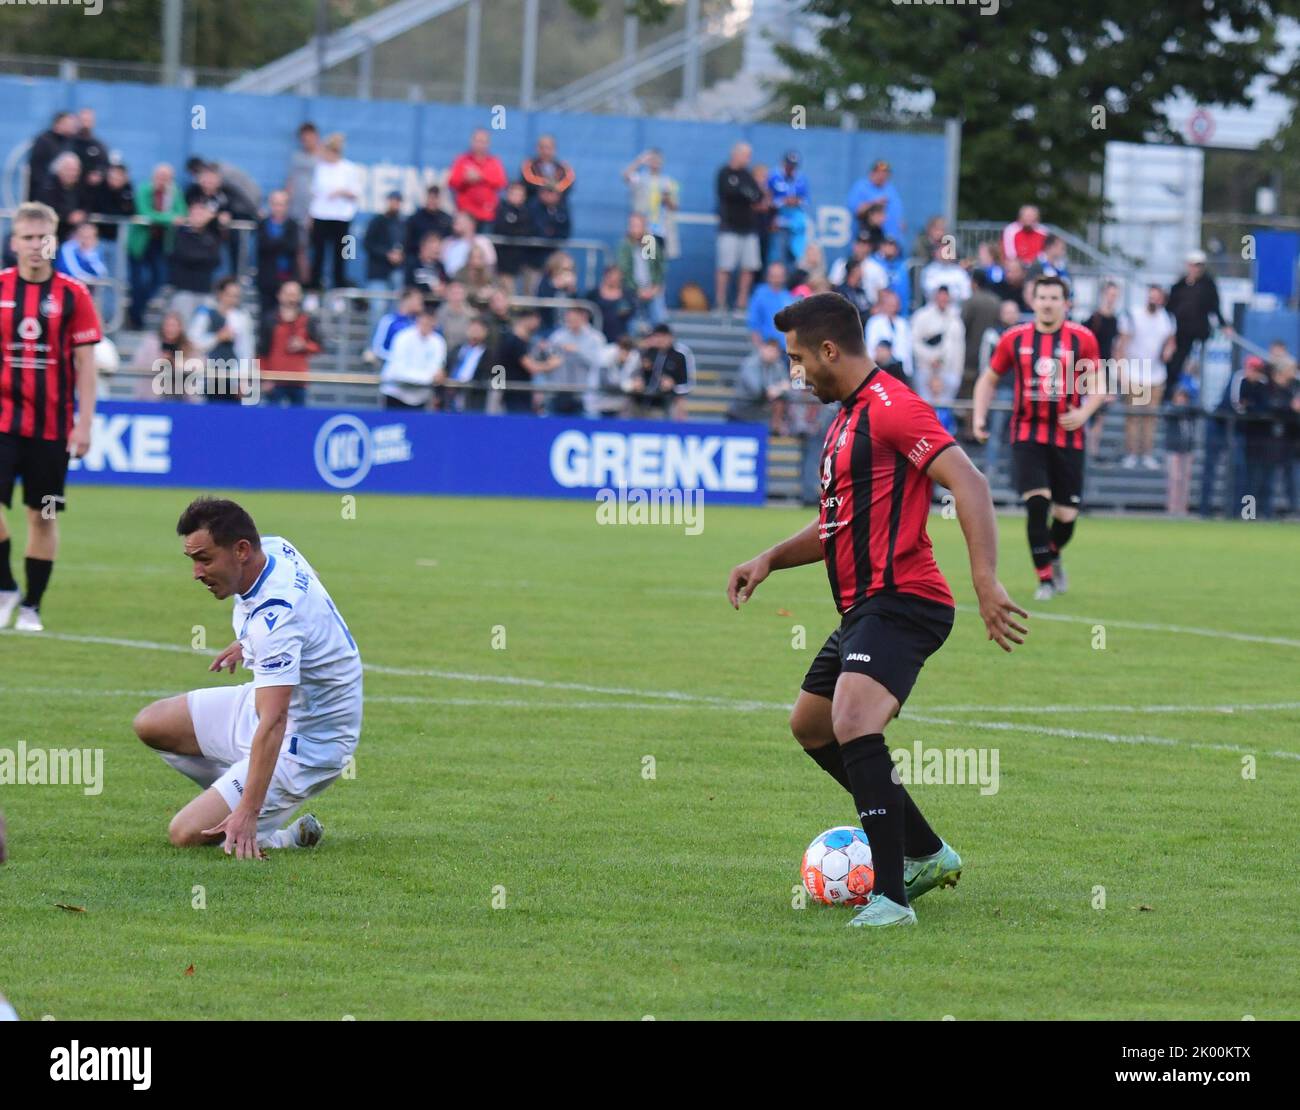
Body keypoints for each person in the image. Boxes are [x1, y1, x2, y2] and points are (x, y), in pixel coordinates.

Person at [725, 291, 1027, 928]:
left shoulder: (894, 407)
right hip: (863, 608)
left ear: (831, 350)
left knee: (855, 718)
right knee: (811, 725)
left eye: (800, 359)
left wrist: (986, 579)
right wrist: (770, 559)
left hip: (905, 600)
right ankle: (926, 852)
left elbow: (967, 480)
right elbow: (836, 524)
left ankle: (891, 898)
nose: (796, 372)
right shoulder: (844, 420)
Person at [132, 500, 361, 857]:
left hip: (308, 743)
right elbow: (311, 585)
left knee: (185, 832)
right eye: (192, 559)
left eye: (204, 559)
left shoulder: (276, 623)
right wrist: (248, 640)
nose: (195, 572)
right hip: (272, 706)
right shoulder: (274, 547)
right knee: (152, 723)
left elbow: (275, 721)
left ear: (240, 550)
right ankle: (241, 787)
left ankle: (276, 832)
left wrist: (248, 811)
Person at [0, 203, 102, 633]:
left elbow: (86, 365)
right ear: (14, 242)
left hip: (51, 430)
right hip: (2, 423)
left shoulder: (73, 294)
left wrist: (84, 423)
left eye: (43, 238)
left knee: (42, 516)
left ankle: (32, 608)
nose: (35, 246)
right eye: (26, 237)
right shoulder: (0, 288)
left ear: (53, 241)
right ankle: (5, 588)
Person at [973, 275, 1105, 601]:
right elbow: (987, 380)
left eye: (1054, 298)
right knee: (1037, 503)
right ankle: (1044, 580)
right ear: (1032, 302)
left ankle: (1052, 554)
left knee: (1066, 519)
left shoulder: (1083, 338)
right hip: (1027, 434)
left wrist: (1083, 414)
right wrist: (979, 417)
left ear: (1066, 303)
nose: (1047, 303)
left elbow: (1100, 386)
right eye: (1041, 297)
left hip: (1069, 437)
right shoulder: (1014, 338)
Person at [1115, 284, 1176, 470]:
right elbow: (1121, 345)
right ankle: (1132, 452)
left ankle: (1147, 453)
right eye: (1151, 296)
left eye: (1156, 297)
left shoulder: (1167, 318)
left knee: (1151, 416)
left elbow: (1171, 342)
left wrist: (1168, 351)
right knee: (1133, 415)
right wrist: (1120, 370)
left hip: (1155, 374)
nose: (1153, 300)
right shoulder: (1134, 315)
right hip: (1134, 372)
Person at [127, 162, 187, 330]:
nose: (163, 181)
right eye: (160, 176)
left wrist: (165, 217)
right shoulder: (144, 189)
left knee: (159, 278)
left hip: (161, 243)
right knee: (138, 281)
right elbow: (145, 212)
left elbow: (182, 213)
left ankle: (138, 307)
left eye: (167, 177)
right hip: (141, 243)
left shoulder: (174, 192)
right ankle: (135, 316)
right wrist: (168, 218)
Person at [307, 133, 363, 291]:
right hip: (321, 217)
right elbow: (315, 193)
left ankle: (339, 290)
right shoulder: (320, 168)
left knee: (343, 256)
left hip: (342, 218)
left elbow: (356, 192)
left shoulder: (349, 168)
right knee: (318, 255)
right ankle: (314, 290)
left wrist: (341, 192)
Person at [1167, 249, 1232, 382]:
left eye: (1199, 265)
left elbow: (1215, 306)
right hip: (1179, 331)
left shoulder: (1208, 285)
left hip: (1197, 331)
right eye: (1194, 265)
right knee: (1173, 364)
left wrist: (1224, 325)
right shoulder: (1179, 285)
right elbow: (1170, 307)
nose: (1196, 268)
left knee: (1191, 363)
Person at [714, 143, 764, 312]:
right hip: (729, 227)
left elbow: (758, 196)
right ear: (736, 154)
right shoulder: (724, 173)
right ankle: (720, 302)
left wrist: (744, 193)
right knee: (725, 266)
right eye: (746, 155)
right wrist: (745, 194)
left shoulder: (747, 175)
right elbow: (728, 193)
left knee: (748, 267)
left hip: (749, 229)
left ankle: (741, 303)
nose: (748, 159)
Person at [190, 277, 256, 403]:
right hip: (208, 374)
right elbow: (193, 342)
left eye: (236, 296)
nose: (232, 299)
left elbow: (246, 351)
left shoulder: (242, 317)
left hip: (231, 375)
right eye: (229, 295)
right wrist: (217, 337)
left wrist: (243, 380)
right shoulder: (205, 314)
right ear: (220, 294)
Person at [977, 299, 1022, 480]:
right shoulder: (993, 334)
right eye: (1007, 311)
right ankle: (991, 468)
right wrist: (988, 387)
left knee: (1017, 433)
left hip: (1019, 389)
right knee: (995, 431)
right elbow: (985, 362)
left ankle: (1015, 471)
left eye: (1013, 311)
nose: (1010, 315)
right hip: (1001, 388)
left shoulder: (1023, 334)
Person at [910, 286, 965, 432]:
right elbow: (914, 343)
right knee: (925, 412)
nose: (943, 299)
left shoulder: (955, 320)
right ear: (935, 297)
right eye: (940, 296)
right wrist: (930, 359)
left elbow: (959, 349)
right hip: (926, 370)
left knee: (945, 414)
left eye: (946, 296)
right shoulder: (922, 316)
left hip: (949, 372)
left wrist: (957, 373)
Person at [258, 281, 321, 407]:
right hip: (275, 380)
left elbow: (319, 346)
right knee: (272, 419)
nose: (291, 298)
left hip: (298, 381)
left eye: (294, 294)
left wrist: (304, 345)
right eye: (288, 294)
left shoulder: (307, 320)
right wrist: (264, 377)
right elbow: (261, 352)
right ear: (279, 295)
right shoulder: (269, 319)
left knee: (299, 420)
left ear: (300, 296)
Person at [379, 301, 446, 410]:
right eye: (424, 320)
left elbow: (436, 370)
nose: (427, 324)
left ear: (435, 323)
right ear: (418, 320)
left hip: (420, 398)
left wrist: (431, 377)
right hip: (395, 393)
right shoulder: (402, 337)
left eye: (430, 321)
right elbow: (399, 372)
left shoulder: (438, 342)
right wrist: (429, 378)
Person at [168, 201, 224, 327]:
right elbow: (186, 255)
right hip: (184, 290)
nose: (198, 217)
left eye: (201, 213)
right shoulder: (181, 233)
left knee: (202, 328)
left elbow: (216, 259)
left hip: (205, 290)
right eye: (195, 213)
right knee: (182, 328)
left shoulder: (211, 235)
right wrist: (204, 256)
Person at [541, 306, 604, 417]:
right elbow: (550, 357)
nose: (571, 323)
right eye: (569, 320)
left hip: (583, 393)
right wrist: (547, 351)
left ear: (584, 317)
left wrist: (577, 351)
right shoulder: (558, 336)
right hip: (559, 392)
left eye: (574, 320)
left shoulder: (595, 338)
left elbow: (597, 362)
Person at [622, 148, 680, 261]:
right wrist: (639, 161)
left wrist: (667, 199)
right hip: (645, 229)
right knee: (648, 262)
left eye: (657, 160)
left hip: (662, 229)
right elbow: (626, 175)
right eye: (652, 160)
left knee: (659, 263)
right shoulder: (641, 178)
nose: (655, 163)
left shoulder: (668, 182)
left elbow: (675, 206)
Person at [255, 189, 302, 317]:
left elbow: (292, 247)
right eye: (275, 204)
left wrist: (274, 243)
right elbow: (263, 246)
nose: (278, 208)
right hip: (267, 278)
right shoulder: (263, 224)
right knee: (266, 315)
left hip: (287, 277)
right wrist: (281, 242)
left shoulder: (292, 224)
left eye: (281, 204)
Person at [363, 190, 407, 322]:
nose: (395, 204)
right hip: (378, 273)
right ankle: (375, 342)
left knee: (395, 311)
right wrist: (386, 254)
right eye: (393, 200)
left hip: (397, 272)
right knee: (378, 310)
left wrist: (400, 255)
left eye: (398, 201)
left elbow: (408, 246)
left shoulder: (403, 223)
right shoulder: (377, 221)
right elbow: (367, 244)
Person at [616, 214, 666, 330]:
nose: (635, 229)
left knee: (659, 321)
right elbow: (624, 270)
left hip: (652, 290)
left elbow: (659, 268)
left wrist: (655, 287)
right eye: (633, 226)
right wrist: (637, 290)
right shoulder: (625, 246)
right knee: (634, 325)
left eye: (638, 225)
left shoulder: (650, 243)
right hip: (632, 293)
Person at [448, 128, 507, 225]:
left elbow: (501, 182)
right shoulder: (462, 160)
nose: (480, 144)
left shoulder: (494, 162)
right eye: (477, 141)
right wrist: (465, 179)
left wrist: (482, 177)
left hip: (487, 214)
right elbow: (452, 182)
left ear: (488, 144)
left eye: (483, 141)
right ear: (472, 142)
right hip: (465, 214)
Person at [728, 338, 789, 429]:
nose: (771, 354)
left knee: (780, 401)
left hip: (763, 411)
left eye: (775, 351)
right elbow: (756, 390)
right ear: (762, 349)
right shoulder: (750, 364)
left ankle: (776, 429)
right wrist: (779, 388)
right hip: (742, 410)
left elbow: (788, 389)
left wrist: (776, 390)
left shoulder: (778, 366)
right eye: (769, 350)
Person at [846, 159, 905, 244]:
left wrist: (899, 222)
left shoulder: (891, 189)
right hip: (867, 237)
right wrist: (874, 203)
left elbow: (896, 212)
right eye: (878, 172)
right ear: (871, 173)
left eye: (885, 173)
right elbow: (857, 210)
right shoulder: (861, 187)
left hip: (889, 239)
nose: (882, 176)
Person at [491, 180, 535, 292]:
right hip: (503, 259)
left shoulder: (527, 212)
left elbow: (529, 230)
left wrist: (515, 227)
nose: (516, 197)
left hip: (522, 258)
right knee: (506, 290)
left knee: (527, 289)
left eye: (519, 194)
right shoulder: (501, 209)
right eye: (514, 193)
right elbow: (502, 229)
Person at [35, 152, 87, 242]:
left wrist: (83, 213)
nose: (72, 173)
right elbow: (47, 208)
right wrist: (68, 216)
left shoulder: (81, 187)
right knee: (47, 254)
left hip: (72, 235)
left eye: (75, 170)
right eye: (69, 169)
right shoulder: (48, 185)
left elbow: (88, 203)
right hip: (49, 233)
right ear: (59, 169)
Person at [1164, 376, 1198, 516]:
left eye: (1184, 397)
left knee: (1185, 479)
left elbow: (1198, 409)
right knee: (1174, 478)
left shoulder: (1190, 411)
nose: (1182, 399)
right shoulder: (1171, 409)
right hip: (1173, 449)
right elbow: (1171, 412)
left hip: (1187, 449)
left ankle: (1183, 508)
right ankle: (1172, 508)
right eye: (1179, 396)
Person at [27, 112, 80, 200]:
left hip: (64, 193)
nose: (72, 126)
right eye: (69, 123)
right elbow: (36, 169)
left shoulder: (71, 142)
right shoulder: (44, 141)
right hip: (45, 192)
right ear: (58, 124)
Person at [367, 286, 423, 368]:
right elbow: (377, 348)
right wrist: (396, 359)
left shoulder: (419, 323)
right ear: (407, 300)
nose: (421, 303)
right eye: (418, 299)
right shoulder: (388, 320)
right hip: (391, 368)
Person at [863, 289, 913, 380]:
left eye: (894, 303)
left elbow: (908, 348)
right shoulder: (874, 322)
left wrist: (908, 370)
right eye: (889, 303)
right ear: (883, 304)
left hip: (902, 370)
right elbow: (870, 346)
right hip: (881, 368)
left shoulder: (903, 324)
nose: (892, 306)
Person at [748, 262, 796, 349]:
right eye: (774, 276)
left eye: (779, 276)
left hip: (786, 351)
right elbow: (754, 325)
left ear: (784, 277)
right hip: (765, 348)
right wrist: (762, 349)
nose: (776, 279)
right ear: (768, 276)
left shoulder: (788, 297)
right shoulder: (759, 295)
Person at [520, 134, 576, 209]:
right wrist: (544, 191)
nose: (546, 151)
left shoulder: (564, 167)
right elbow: (527, 182)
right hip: (535, 206)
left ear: (554, 149)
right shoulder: (529, 165)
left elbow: (568, 184)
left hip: (558, 206)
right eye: (542, 147)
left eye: (549, 148)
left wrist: (555, 193)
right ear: (537, 148)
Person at [404, 185, 454, 261]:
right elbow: (408, 243)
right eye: (430, 198)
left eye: (435, 198)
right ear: (426, 198)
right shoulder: (415, 219)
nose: (432, 201)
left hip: (440, 261)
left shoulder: (447, 220)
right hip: (418, 260)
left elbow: (450, 243)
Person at [589, 264, 634, 343]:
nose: (614, 279)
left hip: (618, 336)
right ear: (605, 276)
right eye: (611, 276)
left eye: (617, 277)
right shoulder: (594, 293)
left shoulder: (627, 294)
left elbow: (631, 312)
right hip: (596, 334)